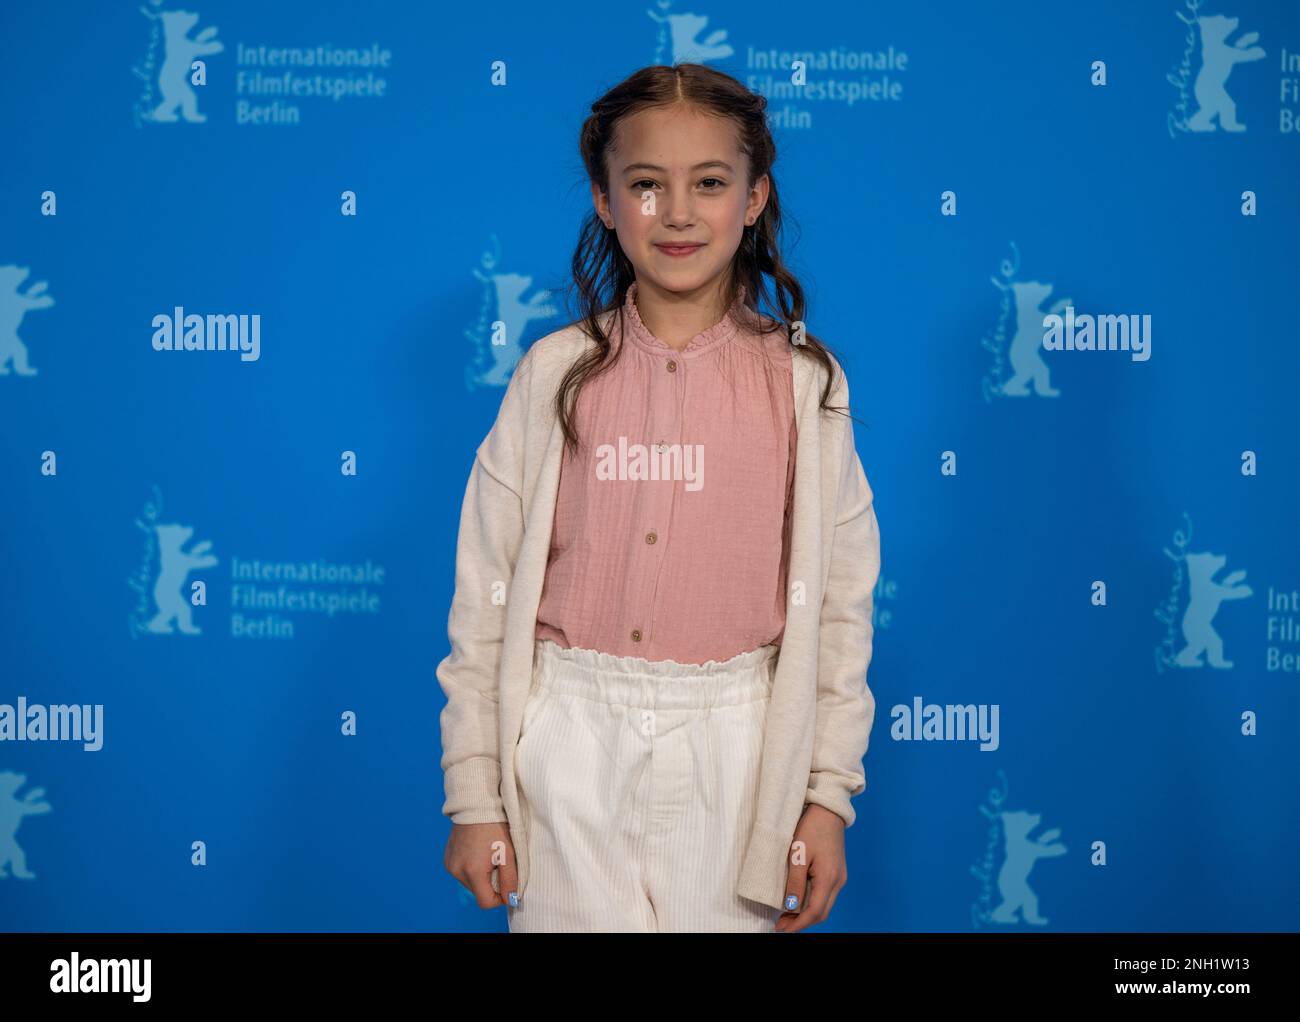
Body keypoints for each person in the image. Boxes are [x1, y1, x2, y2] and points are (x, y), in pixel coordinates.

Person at [437, 63, 881, 932]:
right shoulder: (552, 375)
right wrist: (473, 793)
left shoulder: (803, 387)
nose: (677, 213)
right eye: (645, 185)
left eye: (710, 184)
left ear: (753, 198)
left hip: (740, 750)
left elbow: (839, 610)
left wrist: (826, 797)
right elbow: (483, 595)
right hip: (567, 740)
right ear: (606, 201)